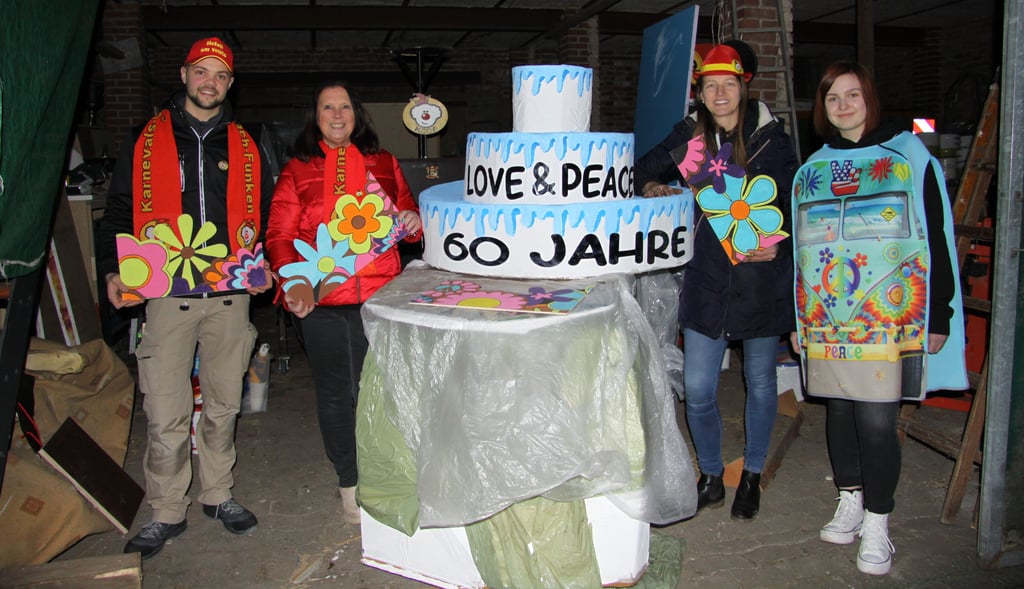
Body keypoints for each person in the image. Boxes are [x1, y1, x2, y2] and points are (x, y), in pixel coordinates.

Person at [96, 37, 275, 559]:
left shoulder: (247, 144)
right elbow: (118, 210)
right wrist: (112, 269)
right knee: (165, 410)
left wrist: (264, 265)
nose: (209, 82)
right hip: (166, 295)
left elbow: (264, 216)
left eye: (220, 75)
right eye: (201, 71)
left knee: (223, 404)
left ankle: (218, 494)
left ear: (230, 83)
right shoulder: (146, 138)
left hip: (229, 296)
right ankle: (167, 509)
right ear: (184, 74)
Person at [790, 61, 967, 576]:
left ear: (869, 97)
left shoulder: (908, 155)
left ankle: (878, 520)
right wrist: (797, 321)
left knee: (874, 419)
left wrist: (939, 313)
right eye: (832, 98)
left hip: (889, 316)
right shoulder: (814, 167)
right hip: (826, 317)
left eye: (852, 95)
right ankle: (849, 498)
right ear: (822, 108)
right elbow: (801, 254)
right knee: (838, 413)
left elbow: (935, 235)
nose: (843, 106)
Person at [635, 43, 798, 521]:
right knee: (699, 387)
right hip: (707, 278)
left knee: (760, 382)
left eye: (729, 84)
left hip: (760, 279)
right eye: (711, 86)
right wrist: (653, 186)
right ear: (700, 93)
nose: (720, 93)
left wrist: (781, 247)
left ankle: (751, 475)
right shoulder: (690, 136)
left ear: (743, 88)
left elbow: (795, 206)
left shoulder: (772, 138)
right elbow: (640, 170)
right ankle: (709, 475)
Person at [265, 81, 422, 525]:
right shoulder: (298, 170)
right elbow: (279, 234)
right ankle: (349, 481)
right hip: (323, 303)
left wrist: (412, 220)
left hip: (381, 298)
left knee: (386, 390)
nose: (337, 115)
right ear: (315, 118)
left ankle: (388, 470)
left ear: (357, 115)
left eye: (345, 107)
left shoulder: (384, 162)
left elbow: (409, 220)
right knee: (337, 394)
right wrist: (293, 283)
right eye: (327, 108)